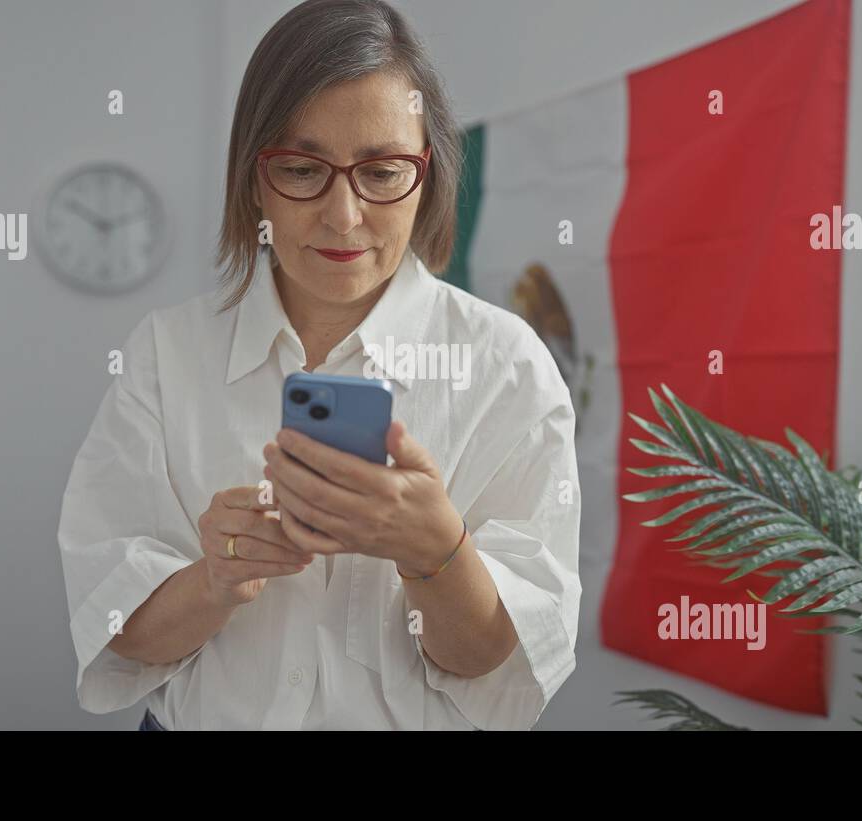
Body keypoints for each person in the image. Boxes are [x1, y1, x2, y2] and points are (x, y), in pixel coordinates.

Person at [57, 0, 580, 731]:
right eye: (302, 168)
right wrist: (217, 576)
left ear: (425, 174)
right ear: (254, 176)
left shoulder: (505, 366)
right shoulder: (166, 354)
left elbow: (490, 660)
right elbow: (119, 628)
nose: (343, 215)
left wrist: (436, 551)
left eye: (383, 171)